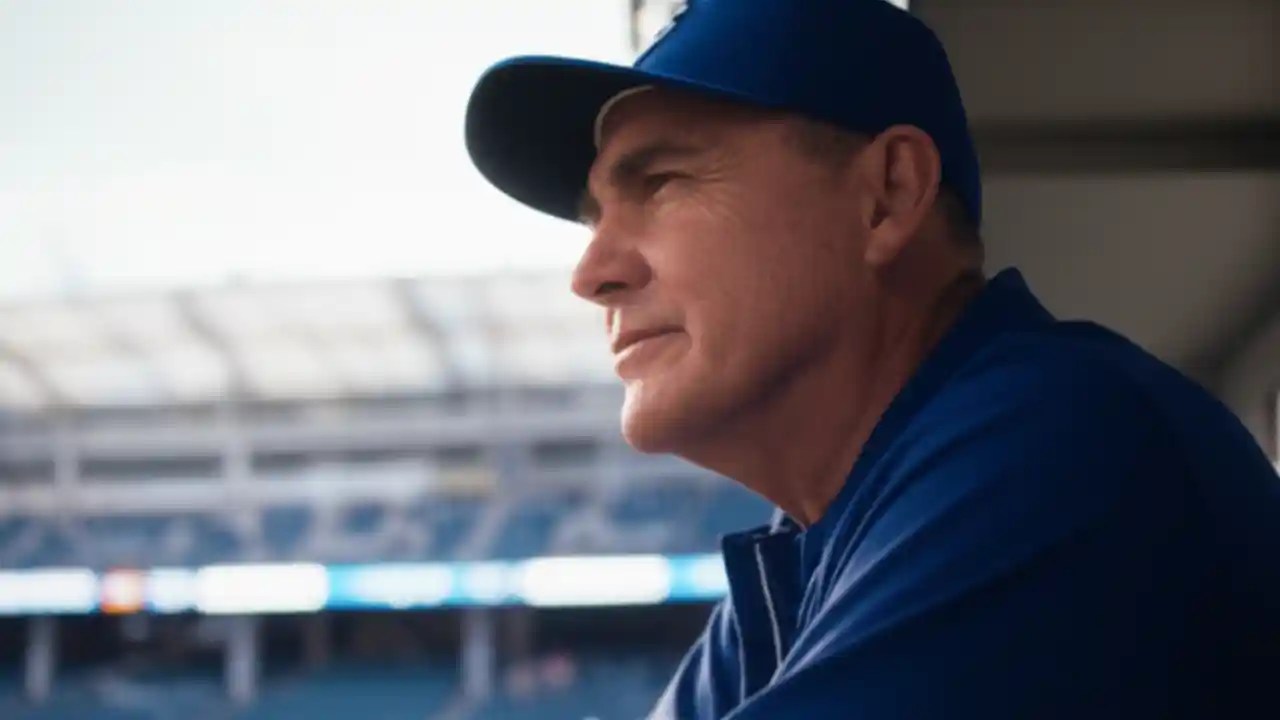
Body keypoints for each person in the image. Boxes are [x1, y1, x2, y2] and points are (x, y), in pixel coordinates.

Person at [464, 0, 1280, 717]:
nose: (591, 274)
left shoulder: (1062, 446)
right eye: (594, 218)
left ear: (887, 194)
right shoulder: (816, 540)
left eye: (662, 184)